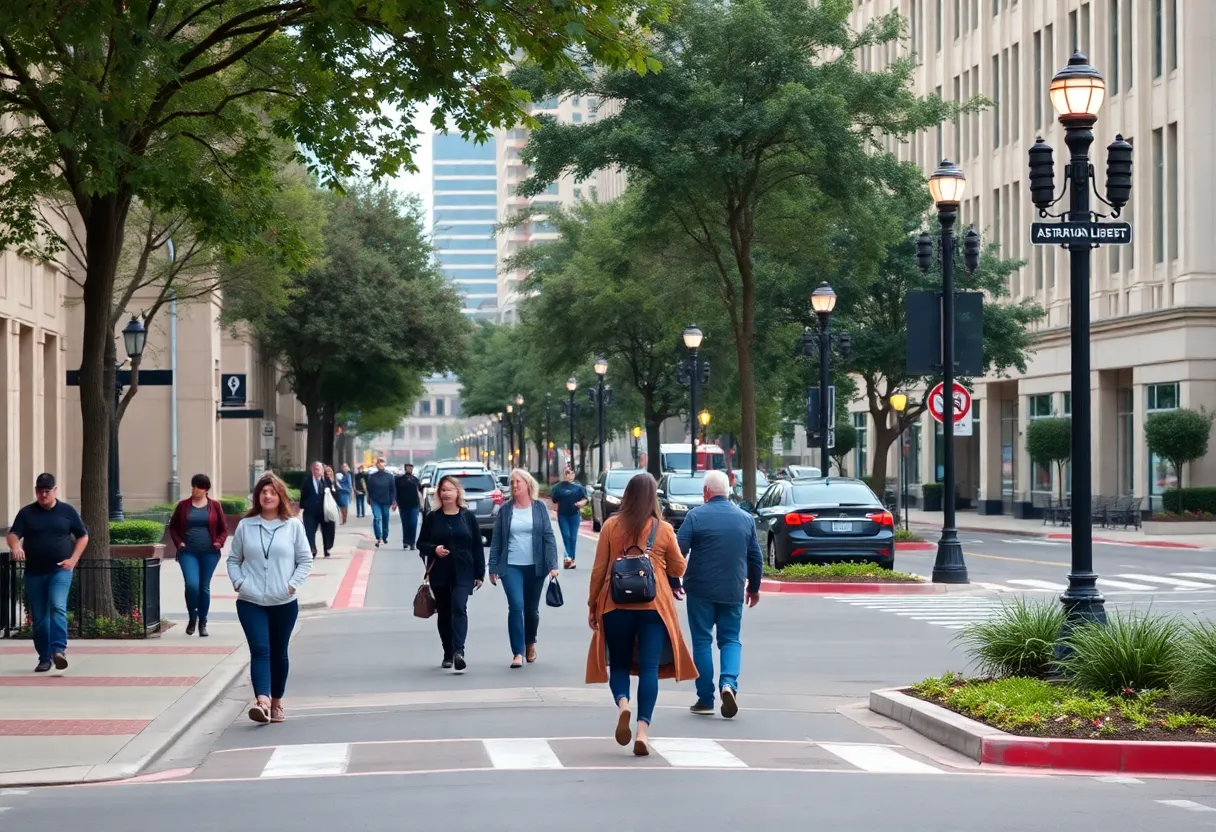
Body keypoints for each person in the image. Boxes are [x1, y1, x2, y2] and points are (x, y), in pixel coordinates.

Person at [586, 472, 696, 756]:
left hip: (615, 604)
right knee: (649, 668)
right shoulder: (662, 529)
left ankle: (623, 704)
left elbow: (599, 570)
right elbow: (679, 569)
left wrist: (592, 605)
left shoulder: (611, 526)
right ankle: (643, 731)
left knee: (619, 664)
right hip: (653, 606)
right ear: (653, 497)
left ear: (627, 496)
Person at [676, 469, 762, 719]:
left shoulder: (695, 516)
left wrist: (673, 580)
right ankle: (728, 684)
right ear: (728, 491)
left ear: (706, 492)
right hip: (733, 589)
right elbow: (755, 558)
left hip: (700, 590)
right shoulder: (745, 519)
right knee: (731, 639)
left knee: (702, 641)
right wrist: (753, 588)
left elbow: (678, 550)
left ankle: (705, 699)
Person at [227, 473, 312, 724]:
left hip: (283, 601)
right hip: (250, 600)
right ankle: (261, 701)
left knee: (279, 652)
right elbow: (233, 560)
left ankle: (277, 703)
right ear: (257, 497)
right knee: (260, 649)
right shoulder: (246, 525)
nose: (267, 496)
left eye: (272, 492)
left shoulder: (293, 525)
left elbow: (305, 559)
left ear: (280, 496)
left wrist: (292, 584)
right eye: (263, 492)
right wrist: (239, 582)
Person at [5, 474, 89, 673]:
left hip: (60, 570)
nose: (43, 494)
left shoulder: (67, 511)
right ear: (35, 490)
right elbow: (13, 534)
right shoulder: (26, 513)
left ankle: (59, 650)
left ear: (54, 490)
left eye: (47, 491)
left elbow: (83, 536)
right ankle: (44, 657)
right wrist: (15, 546)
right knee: (40, 618)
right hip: (34, 572)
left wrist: (73, 559)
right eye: (40, 490)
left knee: (57, 607)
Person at [488, 469, 558, 668]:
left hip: (536, 566)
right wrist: (492, 566)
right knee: (516, 606)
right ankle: (517, 652)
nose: (514, 485)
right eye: (512, 483)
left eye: (518, 482)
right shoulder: (505, 510)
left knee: (531, 610)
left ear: (528, 484)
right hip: (510, 566)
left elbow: (548, 537)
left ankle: (530, 643)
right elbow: (497, 540)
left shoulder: (539, 508)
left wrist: (553, 565)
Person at [416, 475, 485, 672]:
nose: (446, 493)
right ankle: (447, 652)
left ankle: (459, 652)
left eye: (450, 489)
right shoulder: (433, 517)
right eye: (443, 490)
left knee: (459, 607)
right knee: (444, 612)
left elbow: (476, 546)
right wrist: (434, 549)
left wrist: (480, 573)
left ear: (457, 493)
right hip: (440, 571)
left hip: (464, 571)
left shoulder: (467, 516)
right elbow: (421, 543)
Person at [167, 473, 228, 637]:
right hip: (188, 552)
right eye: (193, 486)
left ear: (205, 489)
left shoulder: (215, 506)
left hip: (209, 553)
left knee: (204, 587)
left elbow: (224, 529)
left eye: (198, 487)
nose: (194, 489)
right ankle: (192, 616)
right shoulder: (183, 506)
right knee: (192, 585)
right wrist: (179, 543)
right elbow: (172, 527)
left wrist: (218, 543)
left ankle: (203, 621)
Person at [550, 467, 588, 569]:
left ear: (573, 475)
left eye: (570, 473)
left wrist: (580, 504)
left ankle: (571, 559)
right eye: (566, 473)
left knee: (573, 538)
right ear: (563, 475)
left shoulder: (578, 488)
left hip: (574, 515)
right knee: (566, 537)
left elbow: (585, 499)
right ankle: (568, 558)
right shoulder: (558, 487)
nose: (568, 475)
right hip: (562, 515)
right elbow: (554, 500)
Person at [298, 461, 330, 559]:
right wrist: (303, 506)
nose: (317, 470)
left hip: (324, 511)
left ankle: (326, 549)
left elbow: (333, 496)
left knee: (326, 531)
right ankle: (312, 548)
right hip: (310, 512)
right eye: (315, 468)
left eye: (318, 468)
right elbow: (303, 495)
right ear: (312, 470)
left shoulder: (327, 481)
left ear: (322, 470)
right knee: (310, 531)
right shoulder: (307, 481)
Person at [365, 458, 397, 547]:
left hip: (386, 500)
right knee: (377, 517)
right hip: (375, 500)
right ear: (376, 465)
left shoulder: (389, 476)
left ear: (384, 464)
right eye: (378, 463)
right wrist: (369, 498)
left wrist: (394, 501)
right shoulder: (372, 476)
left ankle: (385, 536)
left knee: (385, 518)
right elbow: (369, 489)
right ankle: (378, 536)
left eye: (382, 463)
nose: (380, 464)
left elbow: (393, 489)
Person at [394, 463, 423, 550]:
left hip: (414, 505)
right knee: (405, 523)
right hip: (403, 505)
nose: (409, 469)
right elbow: (395, 492)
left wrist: (421, 504)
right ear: (405, 469)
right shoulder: (399, 480)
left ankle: (412, 542)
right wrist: (395, 502)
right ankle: (406, 541)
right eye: (408, 468)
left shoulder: (415, 480)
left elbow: (420, 493)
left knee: (413, 523)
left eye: (411, 468)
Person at [321, 464, 340, 557]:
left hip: (333, 508)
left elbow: (337, 495)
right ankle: (326, 548)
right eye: (326, 472)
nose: (328, 473)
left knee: (331, 528)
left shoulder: (334, 482)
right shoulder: (324, 481)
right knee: (325, 529)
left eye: (330, 472)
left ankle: (329, 545)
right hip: (325, 508)